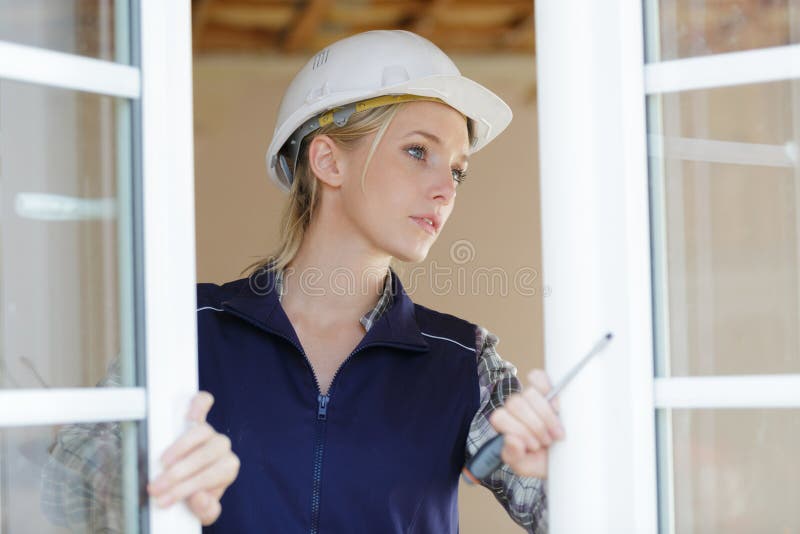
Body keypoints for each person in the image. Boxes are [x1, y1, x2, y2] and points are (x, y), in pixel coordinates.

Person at [44, 30, 563, 533]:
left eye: (457, 171)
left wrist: (558, 479)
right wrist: (142, 474)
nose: (445, 189)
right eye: (417, 151)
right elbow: (63, 490)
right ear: (328, 160)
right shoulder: (189, 330)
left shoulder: (465, 362)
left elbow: (590, 511)